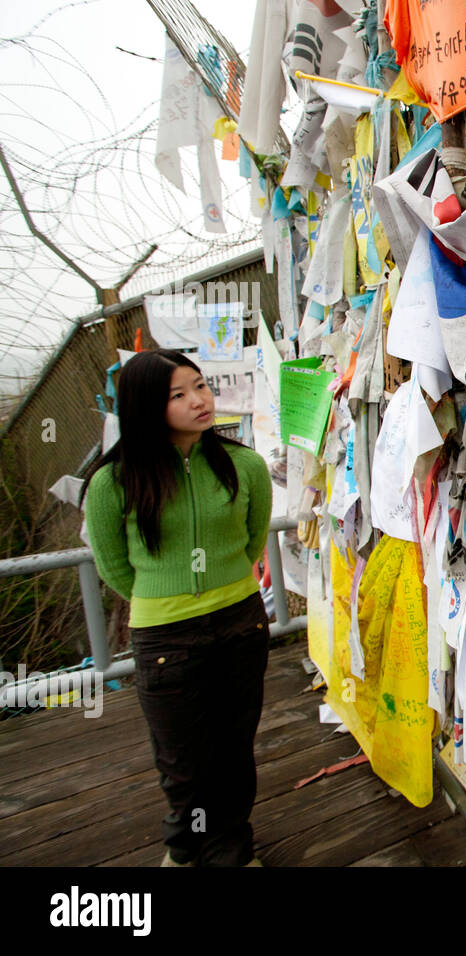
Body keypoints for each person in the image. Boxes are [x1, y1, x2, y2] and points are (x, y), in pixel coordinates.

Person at [82, 349, 273, 867]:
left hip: (240, 624)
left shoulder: (245, 465)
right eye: (179, 394)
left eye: (202, 386)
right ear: (146, 406)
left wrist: (219, 585)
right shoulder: (112, 483)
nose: (200, 401)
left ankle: (232, 853)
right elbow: (115, 567)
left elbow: (252, 541)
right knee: (183, 762)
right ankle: (185, 849)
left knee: (234, 755)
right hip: (165, 640)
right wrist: (165, 601)